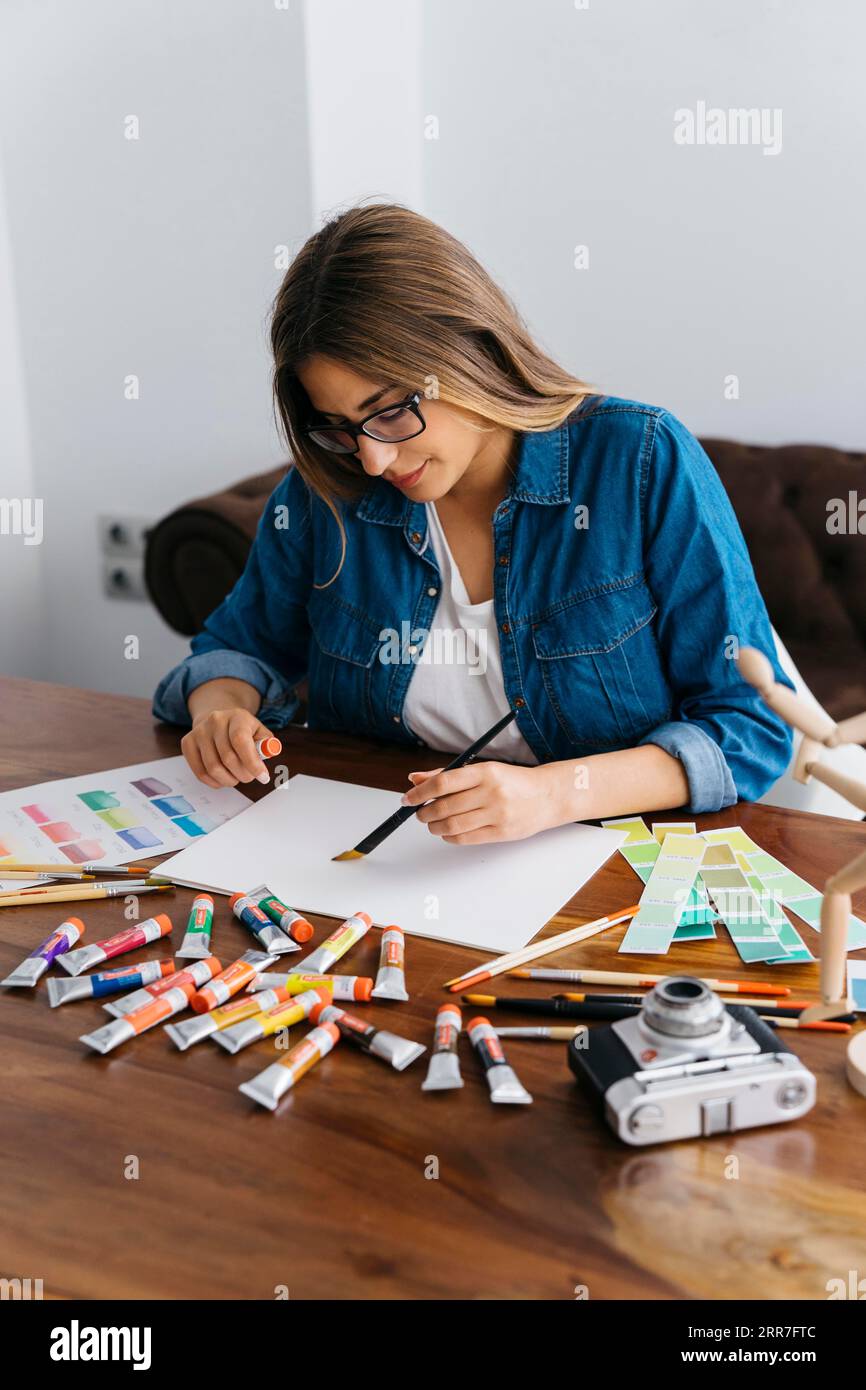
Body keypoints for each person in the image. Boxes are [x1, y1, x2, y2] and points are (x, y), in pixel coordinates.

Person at [153, 203, 792, 845]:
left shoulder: (640, 460)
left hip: (601, 861)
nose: (372, 458)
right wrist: (220, 711)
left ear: (470, 352)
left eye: (391, 411)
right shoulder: (327, 492)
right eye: (341, 427)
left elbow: (751, 727)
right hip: (377, 858)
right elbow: (235, 649)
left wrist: (553, 794)